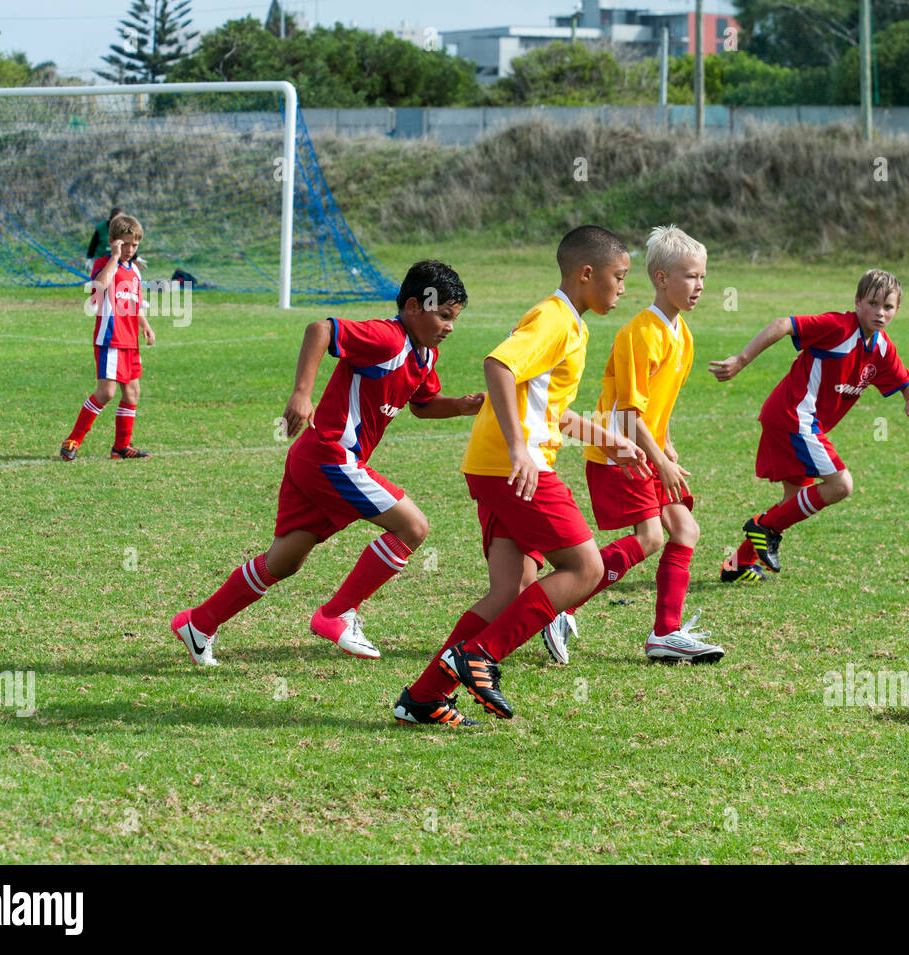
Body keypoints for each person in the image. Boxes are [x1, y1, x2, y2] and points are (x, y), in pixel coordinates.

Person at [393, 225, 649, 727]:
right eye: (619, 277)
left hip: (497, 468)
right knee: (587, 569)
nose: (622, 288)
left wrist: (609, 439)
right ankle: (481, 654)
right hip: (514, 467)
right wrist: (519, 449)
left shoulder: (570, 325)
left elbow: (549, 409)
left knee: (509, 589)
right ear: (586, 274)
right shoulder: (555, 318)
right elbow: (499, 367)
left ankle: (423, 697)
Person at [171, 261, 482, 666]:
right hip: (331, 457)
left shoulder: (424, 356)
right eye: (443, 315)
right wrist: (302, 393)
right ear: (412, 307)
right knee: (413, 526)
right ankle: (337, 614)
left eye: (453, 318)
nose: (449, 326)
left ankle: (200, 621)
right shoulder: (388, 339)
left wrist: (461, 407)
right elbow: (320, 330)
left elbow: (423, 405)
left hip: (314, 459)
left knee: (284, 561)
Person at [539, 225, 724, 665]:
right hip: (621, 453)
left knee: (685, 530)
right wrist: (658, 459)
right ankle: (558, 604)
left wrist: (668, 443)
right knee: (651, 537)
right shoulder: (640, 333)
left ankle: (666, 634)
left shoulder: (682, 334)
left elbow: (654, 406)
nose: (698, 286)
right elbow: (626, 412)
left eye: (702, 277)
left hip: (648, 450)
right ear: (661, 279)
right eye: (689, 276)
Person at [710, 269, 909, 580]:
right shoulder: (838, 327)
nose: (880, 312)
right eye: (873, 303)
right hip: (794, 417)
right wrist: (742, 360)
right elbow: (784, 324)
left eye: (888, 306)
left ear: (897, 310)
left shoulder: (880, 347)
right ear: (857, 302)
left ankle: (737, 565)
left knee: (792, 502)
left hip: (792, 419)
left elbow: (907, 380)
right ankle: (763, 527)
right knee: (841, 485)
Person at [60, 213, 156, 461]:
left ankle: (121, 447)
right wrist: (114, 257)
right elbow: (99, 288)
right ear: (113, 241)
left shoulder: (134, 270)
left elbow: (135, 303)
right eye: (125, 244)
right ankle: (73, 440)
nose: (130, 249)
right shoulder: (105, 263)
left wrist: (145, 325)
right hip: (110, 339)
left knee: (132, 392)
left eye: (135, 245)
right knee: (106, 392)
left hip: (129, 340)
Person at [85, 206, 121, 272]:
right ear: (111, 218)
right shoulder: (101, 228)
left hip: (116, 261)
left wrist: (135, 257)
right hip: (100, 260)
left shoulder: (123, 229)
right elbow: (93, 243)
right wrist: (89, 258)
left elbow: (128, 242)